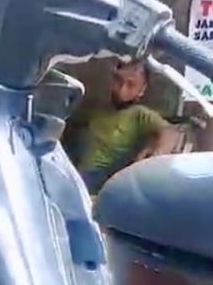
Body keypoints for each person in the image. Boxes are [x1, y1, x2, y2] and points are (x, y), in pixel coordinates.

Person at [66, 59, 181, 195]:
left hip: (103, 179)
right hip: (77, 172)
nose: (122, 89)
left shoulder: (139, 114)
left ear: (142, 89)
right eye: (118, 81)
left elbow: (170, 132)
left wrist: (153, 158)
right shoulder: (97, 109)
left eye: (131, 85)